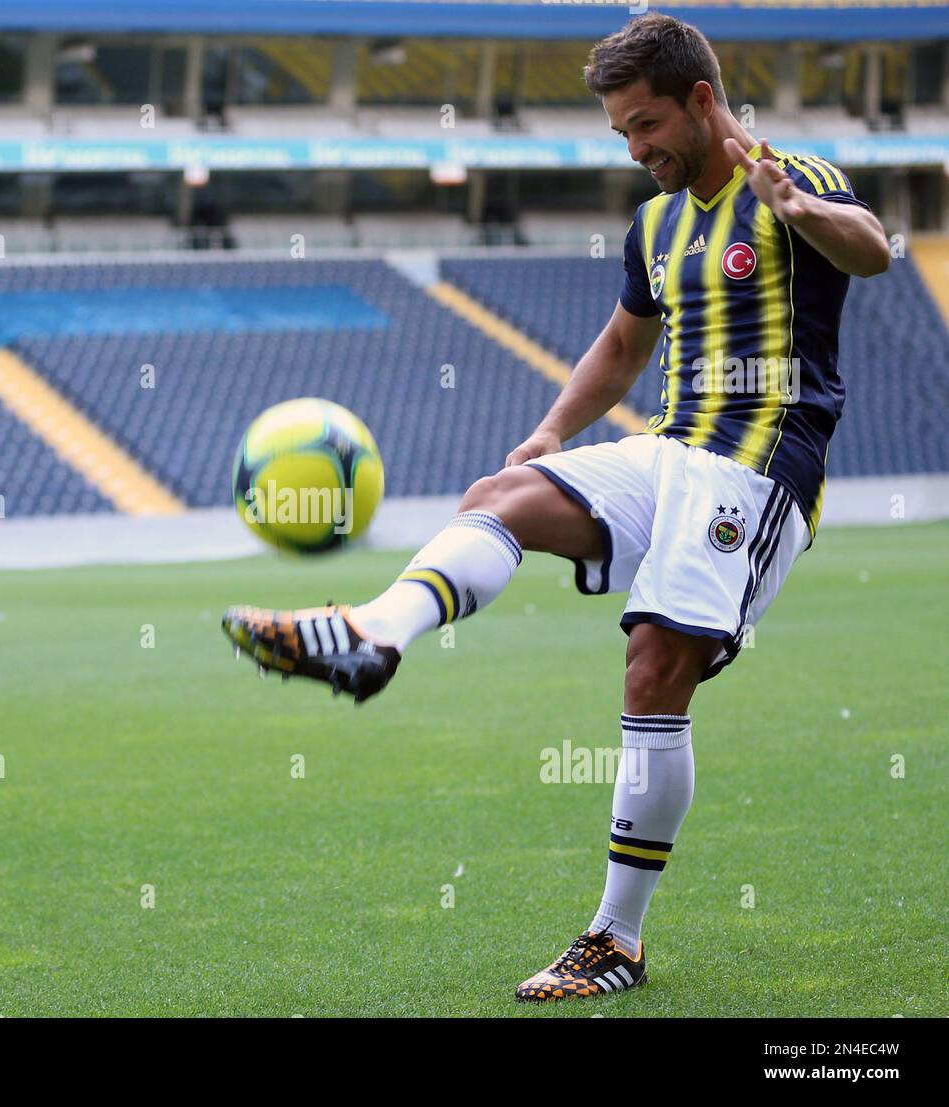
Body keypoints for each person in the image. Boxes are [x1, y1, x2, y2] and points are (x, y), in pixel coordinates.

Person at [222, 12, 890, 1002]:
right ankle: (370, 639)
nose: (636, 148)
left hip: (755, 469)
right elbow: (622, 346)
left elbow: (874, 251)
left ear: (702, 101)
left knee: (655, 661)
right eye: (619, 131)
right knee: (502, 494)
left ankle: (615, 940)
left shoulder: (792, 180)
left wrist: (794, 206)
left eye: (646, 124)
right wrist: (547, 432)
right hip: (668, 448)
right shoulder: (653, 222)